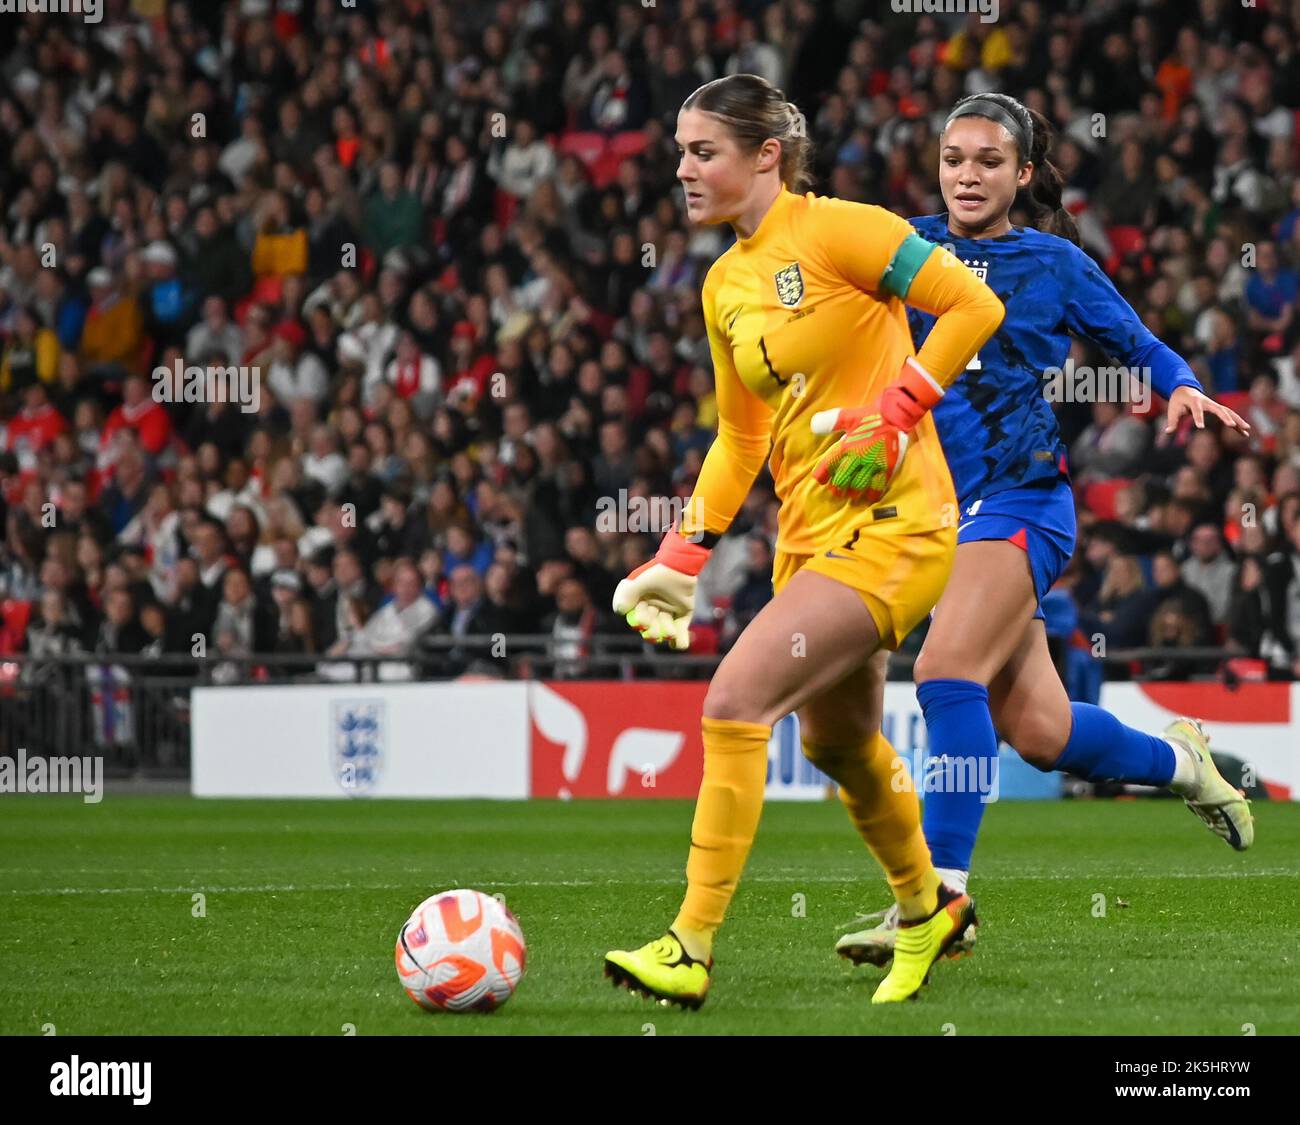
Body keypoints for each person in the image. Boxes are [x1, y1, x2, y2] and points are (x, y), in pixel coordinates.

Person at [602, 74, 1004, 1009]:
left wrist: (901, 410)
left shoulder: (842, 230)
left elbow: (973, 307)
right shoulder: (722, 283)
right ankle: (927, 908)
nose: (683, 169)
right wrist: (682, 552)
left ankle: (689, 945)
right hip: (808, 541)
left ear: (766, 154)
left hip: (897, 525)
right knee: (841, 742)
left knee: (735, 703)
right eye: (679, 150)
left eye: (703, 151)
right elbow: (741, 439)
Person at [835, 93, 1256, 970]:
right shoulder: (899, 245)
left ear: (1022, 174)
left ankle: (937, 899)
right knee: (1039, 730)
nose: (968, 175)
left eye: (989, 161)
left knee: (945, 671)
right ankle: (1185, 764)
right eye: (954, 159)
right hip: (938, 515)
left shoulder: (1053, 262)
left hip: (1024, 499)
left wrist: (1177, 382)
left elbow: (1133, 339)